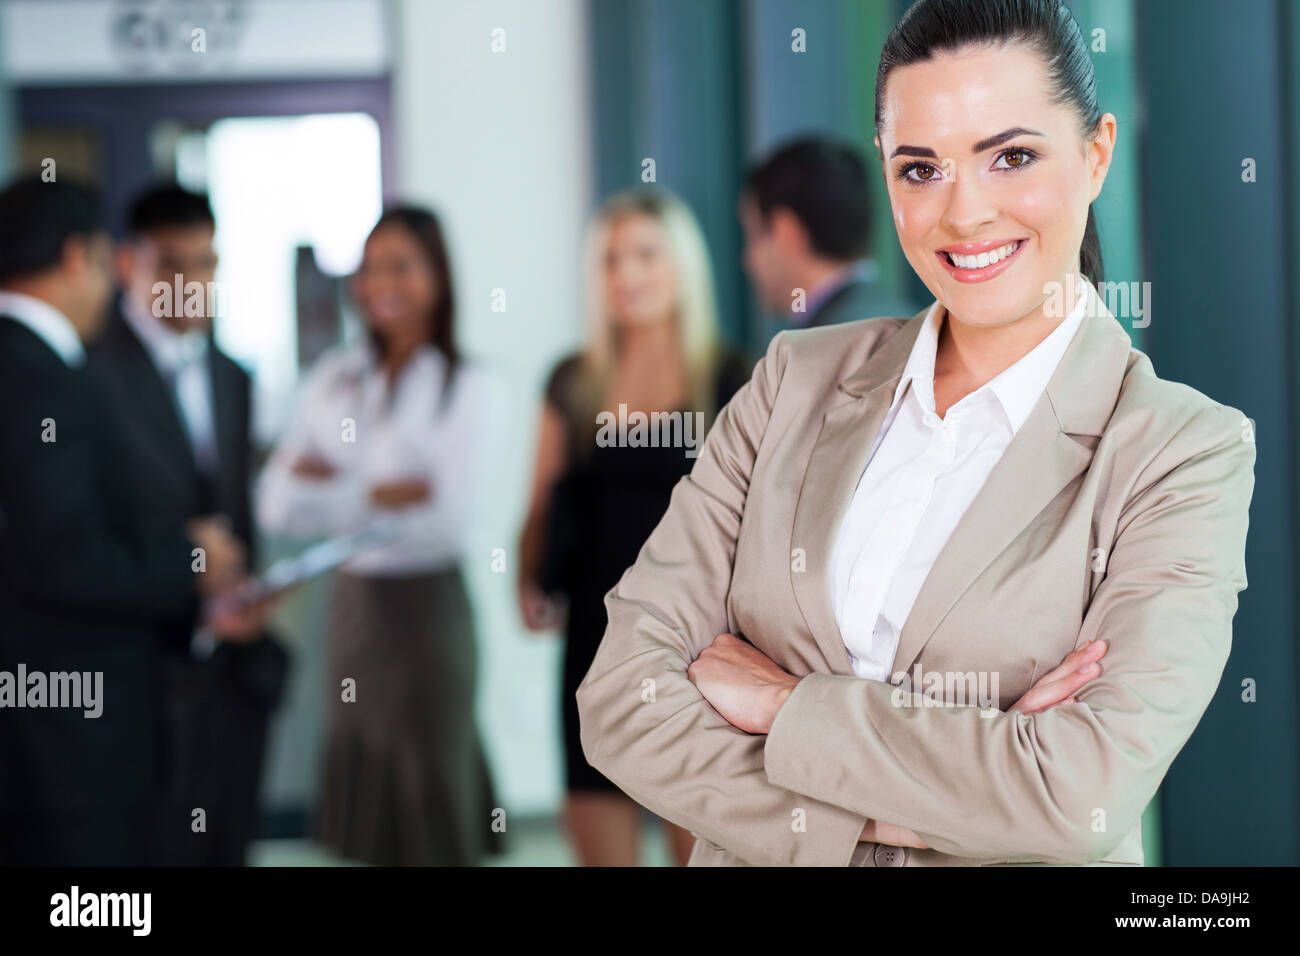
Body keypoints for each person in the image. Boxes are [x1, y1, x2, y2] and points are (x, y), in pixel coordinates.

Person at [576, 0, 1255, 867]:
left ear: (1095, 154)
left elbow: (1075, 795)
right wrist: (975, 779)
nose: (964, 214)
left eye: (1011, 157)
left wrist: (787, 708)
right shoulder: (793, 381)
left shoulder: (1184, 452)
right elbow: (620, 700)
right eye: (921, 168)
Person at [0, 175, 254, 866]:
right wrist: (192, 561)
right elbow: (66, 558)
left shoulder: (40, 367)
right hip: (67, 737)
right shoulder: (48, 375)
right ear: (84, 258)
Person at [257, 205, 502, 866]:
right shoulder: (333, 378)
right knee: (365, 812)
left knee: (433, 801)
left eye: (402, 266)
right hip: (354, 613)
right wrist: (380, 490)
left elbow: (443, 523)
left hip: (430, 615)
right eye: (370, 268)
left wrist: (332, 478)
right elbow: (276, 503)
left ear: (438, 279)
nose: (381, 283)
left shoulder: (467, 385)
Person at [518, 188, 752, 866]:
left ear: (681, 266)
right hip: (594, 642)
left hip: (698, 646)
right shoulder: (574, 381)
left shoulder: (730, 377)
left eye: (646, 255)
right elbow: (538, 501)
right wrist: (526, 584)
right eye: (611, 260)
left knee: (700, 849)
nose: (627, 275)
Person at [85, 183, 289, 866]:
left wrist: (251, 594)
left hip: (231, 680)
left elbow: (239, 517)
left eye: (207, 264)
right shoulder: (85, 373)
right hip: (136, 681)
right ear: (125, 264)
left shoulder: (234, 376)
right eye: (172, 264)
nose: (192, 284)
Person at [739, 136, 919, 348]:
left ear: (785, 233)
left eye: (753, 236)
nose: (748, 261)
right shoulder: (914, 324)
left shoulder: (817, 353)